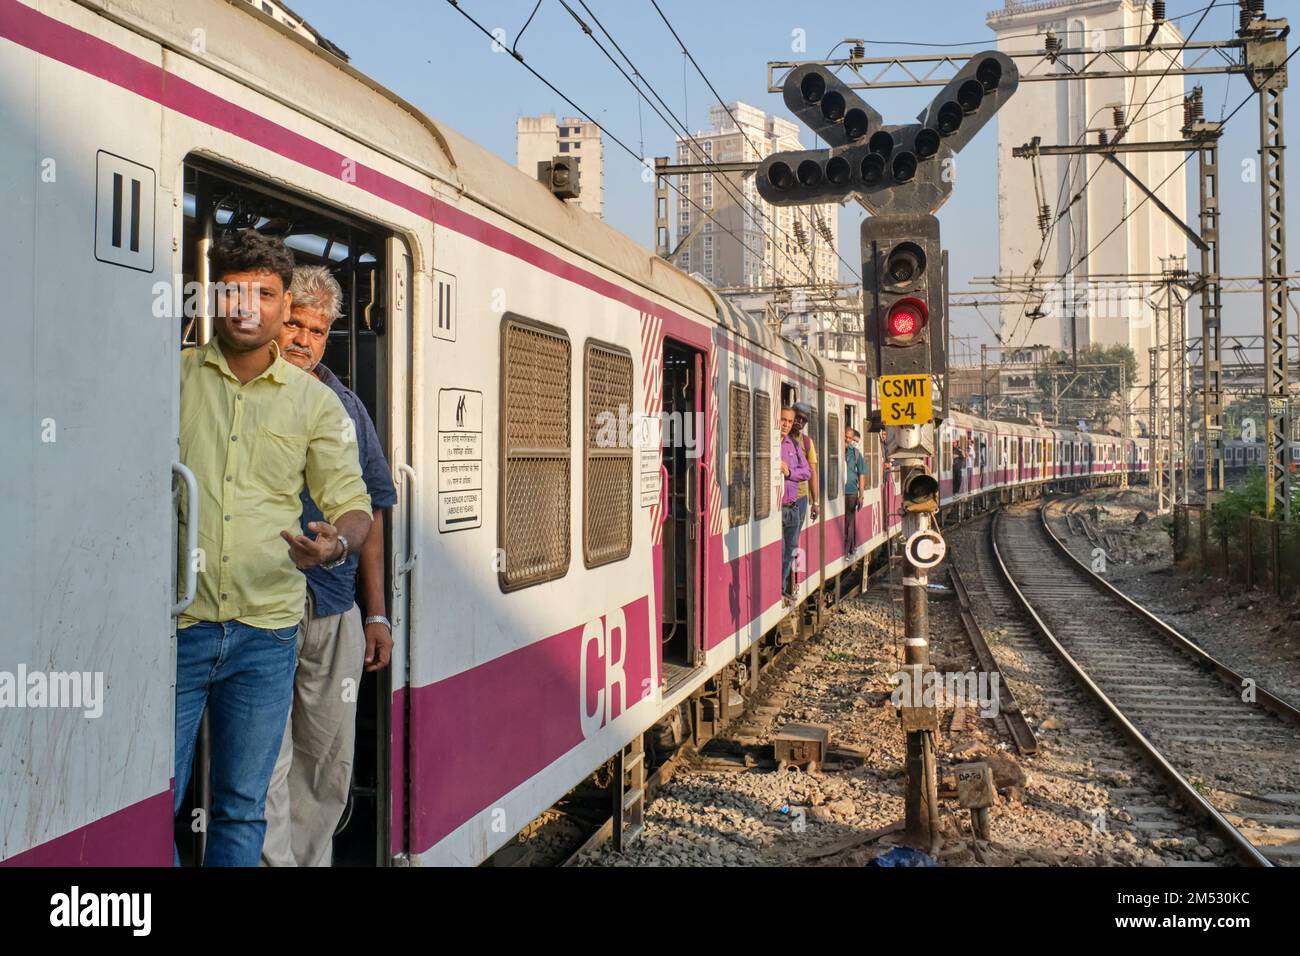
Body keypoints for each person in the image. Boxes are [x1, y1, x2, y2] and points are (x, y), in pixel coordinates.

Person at [175, 230, 373, 867]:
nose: (246, 306)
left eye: (262, 293)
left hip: (267, 632)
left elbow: (356, 501)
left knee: (241, 805)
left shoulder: (320, 404)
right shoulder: (168, 378)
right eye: (233, 291)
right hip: (177, 627)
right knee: (153, 798)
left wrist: (338, 541)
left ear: (281, 299)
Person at [262, 266, 397, 867]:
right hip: (258, 605)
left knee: (325, 754)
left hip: (334, 606)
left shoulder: (345, 406)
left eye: (317, 331)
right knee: (263, 755)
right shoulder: (244, 390)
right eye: (294, 322)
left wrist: (377, 614)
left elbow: (373, 511)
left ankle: (310, 860)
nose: (302, 339)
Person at [779, 407, 812, 607]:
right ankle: (777, 590)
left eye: (789, 421)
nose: (786, 424)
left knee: (790, 550)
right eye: (783, 420)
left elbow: (806, 472)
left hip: (792, 508)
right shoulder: (770, 443)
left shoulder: (793, 443)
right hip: (777, 508)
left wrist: (789, 471)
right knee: (780, 549)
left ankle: (782, 587)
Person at [790, 402, 820, 523]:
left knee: (793, 539)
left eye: (804, 420)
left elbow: (812, 472)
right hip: (784, 498)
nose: (800, 422)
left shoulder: (807, 442)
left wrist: (815, 502)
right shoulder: (780, 437)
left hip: (800, 498)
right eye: (797, 417)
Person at [843, 427, 867, 556]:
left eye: (849, 438)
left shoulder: (856, 454)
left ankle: (848, 549)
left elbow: (861, 474)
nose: (847, 439)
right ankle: (849, 547)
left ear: (852, 439)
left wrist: (861, 495)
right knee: (844, 520)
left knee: (849, 521)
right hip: (838, 491)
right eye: (845, 436)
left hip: (852, 491)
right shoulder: (837, 451)